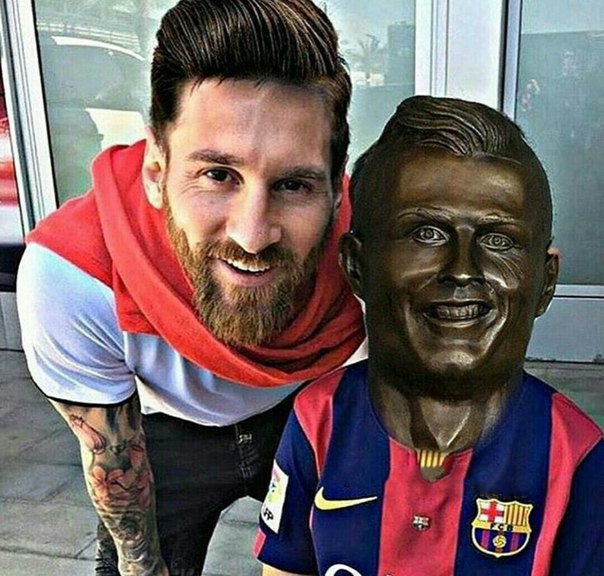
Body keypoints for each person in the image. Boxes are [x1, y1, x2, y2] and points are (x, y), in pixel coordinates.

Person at [16, 1, 365, 574]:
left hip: (303, 412)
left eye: (293, 185)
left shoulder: (366, 245)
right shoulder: (74, 274)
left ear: (334, 187)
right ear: (156, 173)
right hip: (166, 436)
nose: (252, 235)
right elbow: (113, 462)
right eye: (217, 175)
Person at [255, 96, 603, 575]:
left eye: (498, 239)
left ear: (545, 282)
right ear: (357, 265)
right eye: (426, 234)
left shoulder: (576, 456)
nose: (462, 270)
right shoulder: (321, 418)